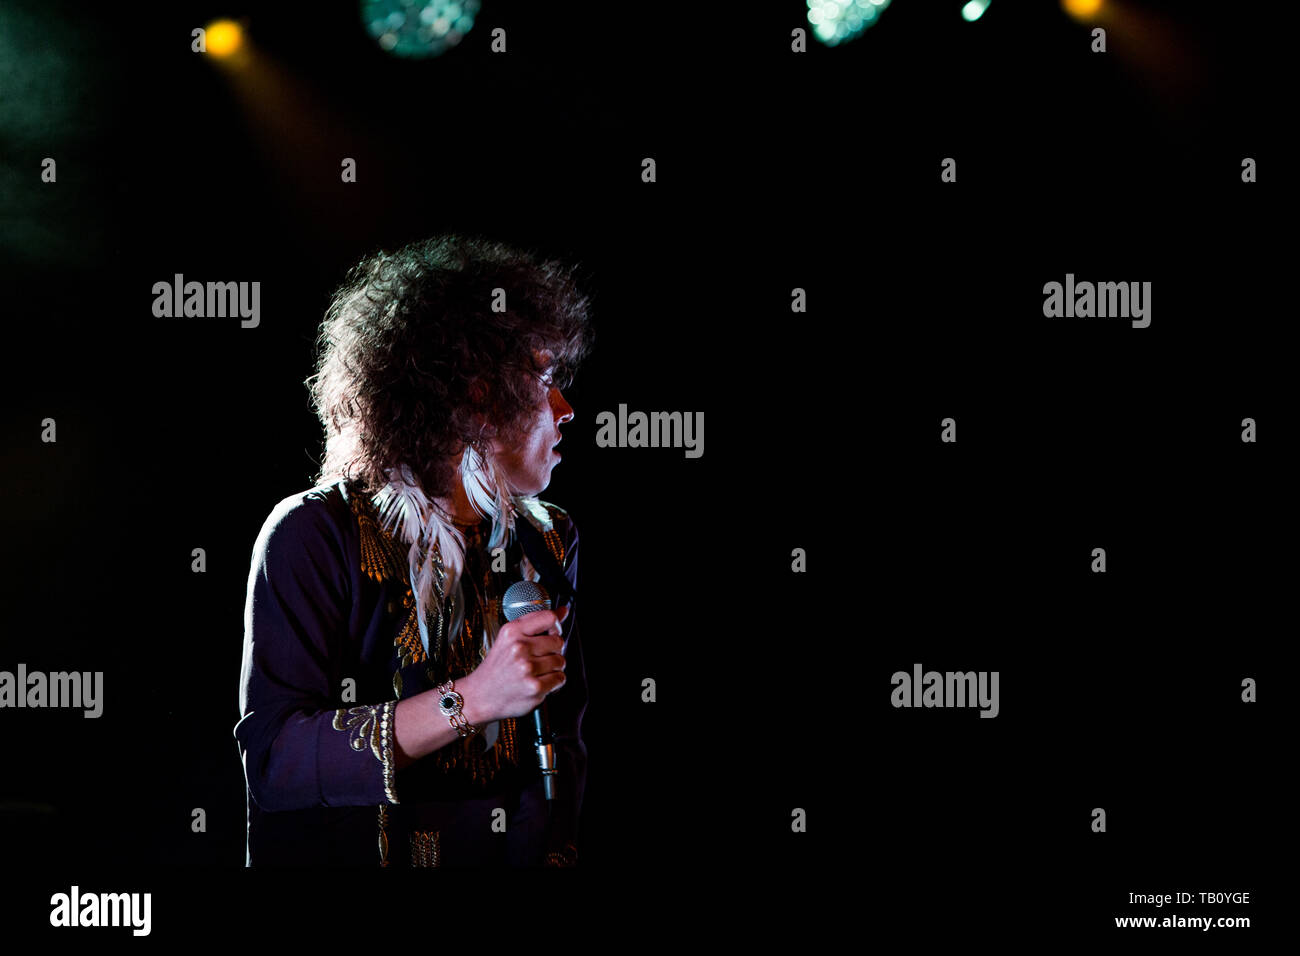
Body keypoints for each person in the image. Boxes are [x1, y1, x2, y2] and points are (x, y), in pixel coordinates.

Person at [234, 234, 593, 866]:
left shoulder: (547, 540)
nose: (566, 409)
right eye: (543, 379)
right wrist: (475, 699)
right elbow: (275, 762)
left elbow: (564, 748)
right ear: (477, 395)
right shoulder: (313, 535)